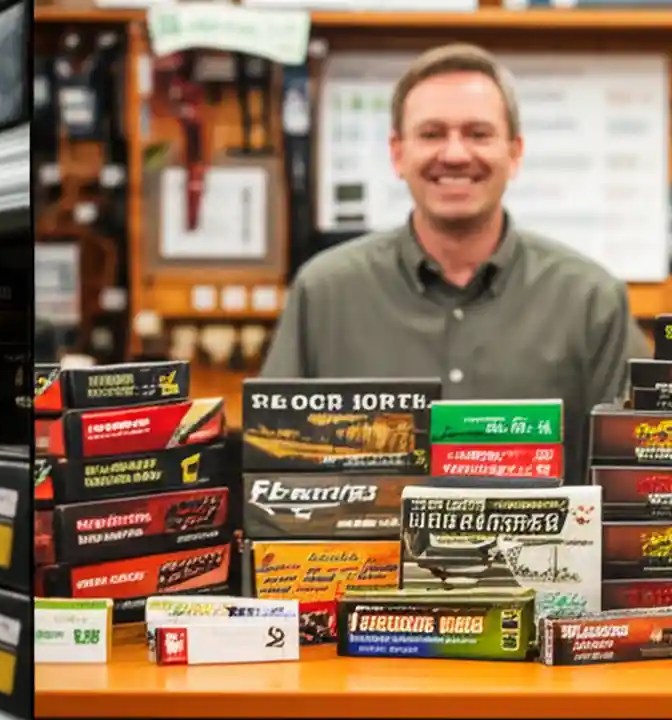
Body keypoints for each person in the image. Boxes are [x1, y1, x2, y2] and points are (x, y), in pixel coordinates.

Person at [259, 42, 651, 485]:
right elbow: (274, 473)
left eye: (478, 133)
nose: (455, 154)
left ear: (515, 152)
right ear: (397, 153)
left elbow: (632, 481)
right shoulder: (324, 293)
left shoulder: (591, 301)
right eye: (431, 133)